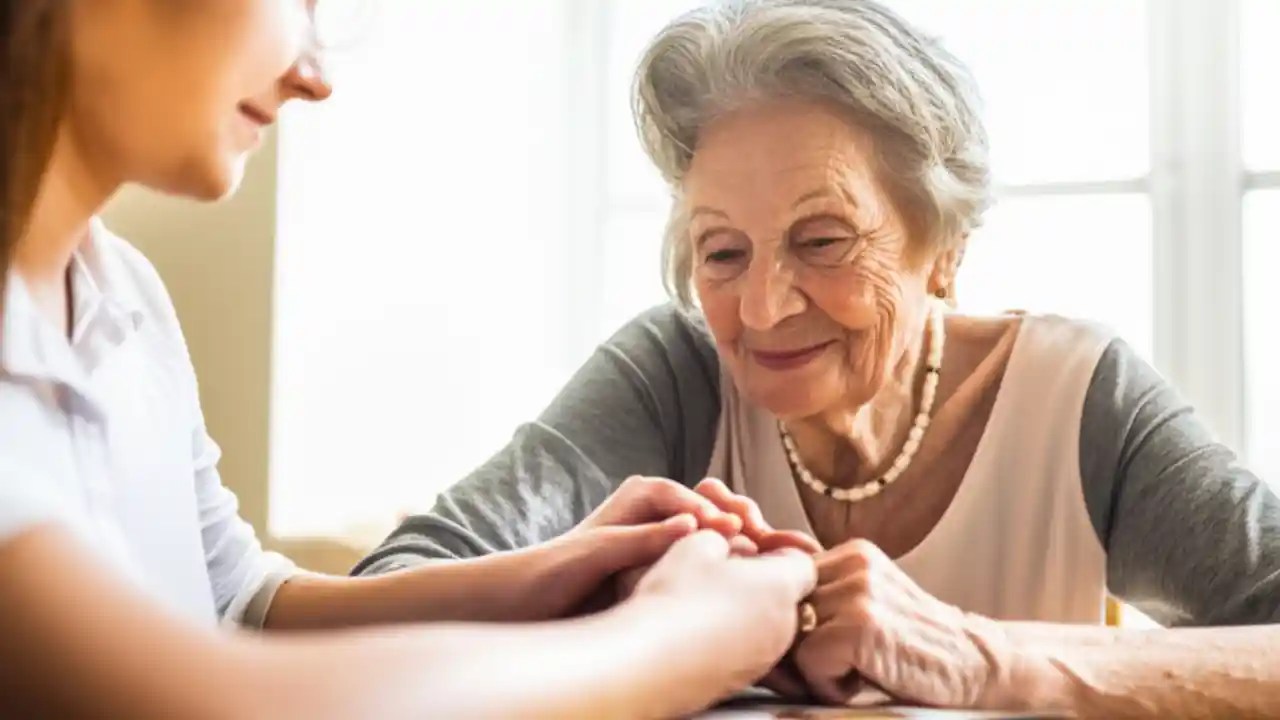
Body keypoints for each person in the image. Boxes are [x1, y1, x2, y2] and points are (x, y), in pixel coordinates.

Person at [357, 0, 1280, 714]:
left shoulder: (1077, 398)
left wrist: (978, 656)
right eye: (722, 252)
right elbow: (386, 597)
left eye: (823, 240)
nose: (761, 308)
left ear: (944, 248)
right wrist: (628, 608)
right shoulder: (672, 376)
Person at [0, 2, 819, 718]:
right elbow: (226, 703)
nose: (312, 75)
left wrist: (551, 576)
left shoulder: (126, 297)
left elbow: (241, 602)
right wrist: (682, 640)